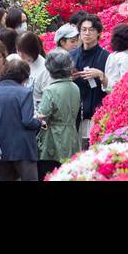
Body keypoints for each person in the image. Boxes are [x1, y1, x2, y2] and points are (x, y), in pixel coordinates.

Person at [0, 61, 42, 181]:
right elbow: (28, 121)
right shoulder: (25, 92)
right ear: (23, 76)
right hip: (23, 149)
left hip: (1, 147)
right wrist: (39, 122)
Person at [36, 49, 80, 180]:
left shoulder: (50, 90)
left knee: (48, 173)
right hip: (71, 134)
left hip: (53, 137)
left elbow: (42, 115)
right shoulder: (74, 87)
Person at [69, 15, 110, 147]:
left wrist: (100, 75)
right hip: (75, 114)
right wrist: (69, 78)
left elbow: (113, 86)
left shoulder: (106, 56)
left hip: (97, 113)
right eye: (83, 29)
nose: (87, 33)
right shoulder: (71, 55)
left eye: (91, 30)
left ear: (98, 32)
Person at [15, 31, 49, 107]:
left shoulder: (45, 69)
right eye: (18, 51)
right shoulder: (18, 62)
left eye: (24, 52)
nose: (20, 55)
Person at [105, 24, 128, 91]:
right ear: (127, 41)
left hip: (111, 93)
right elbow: (127, 83)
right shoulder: (126, 58)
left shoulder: (112, 55)